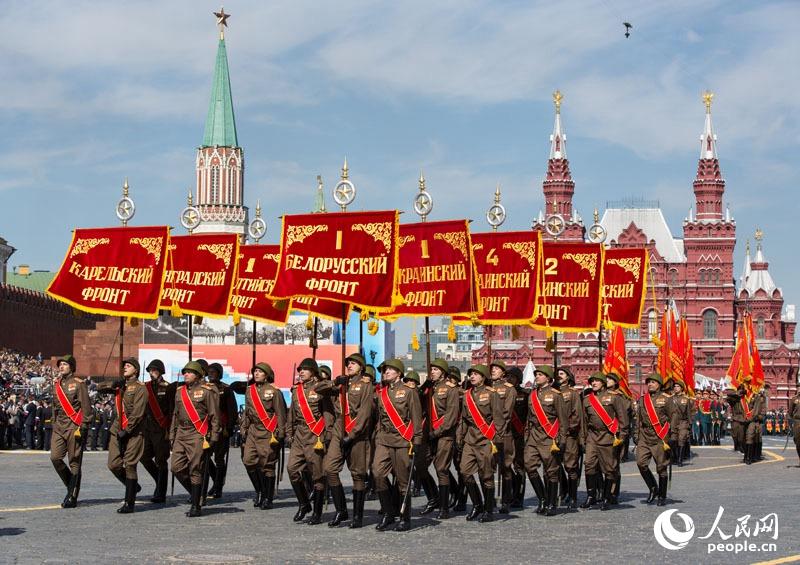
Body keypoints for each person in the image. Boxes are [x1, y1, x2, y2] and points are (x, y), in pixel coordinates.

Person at [323, 353, 374, 528]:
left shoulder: (366, 385)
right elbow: (317, 389)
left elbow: (365, 413)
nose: (350, 366)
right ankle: (341, 510)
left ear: (361, 367)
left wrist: (351, 436)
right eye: (348, 363)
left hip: (356, 434)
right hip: (339, 429)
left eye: (353, 363)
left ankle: (357, 516)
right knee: (329, 468)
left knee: (358, 475)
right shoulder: (342, 384)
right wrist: (335, 382)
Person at [372, 358, 422, 532]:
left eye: (390, 370)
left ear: (399, 373)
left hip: (402, 440)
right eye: (385, 370)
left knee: (403, 481)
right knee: (377, 473)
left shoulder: (409, 391)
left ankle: (404, 518)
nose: (386, 372)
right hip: (384, 440)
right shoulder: (381, 393)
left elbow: (416, 417)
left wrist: (417, 440)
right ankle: (388, 513)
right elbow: (379, 418)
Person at [286, 358, 335, 525]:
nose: (301, 372)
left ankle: (317, 512)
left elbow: (328, 413)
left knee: (318, 475)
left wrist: (327, 434)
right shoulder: (296, 391)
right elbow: (291, 414)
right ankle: (304, 503)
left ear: (313, 372)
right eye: (300, 369)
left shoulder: (321, 389)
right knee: (292, 469)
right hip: (299, 435)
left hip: (316, 435)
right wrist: (289, 432)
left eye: (305, 369)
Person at [231, 362, 286, 510]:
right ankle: (259, 491)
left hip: (268, 431)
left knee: (267, 465)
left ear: (267, 375)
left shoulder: (274, 391)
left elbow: (280, 413)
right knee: (248, 460)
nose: (256, 373)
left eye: (260, 372)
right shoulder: (250, 390)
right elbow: (247, 412)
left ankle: (268, 497)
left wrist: (281, 434)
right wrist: (243, 429)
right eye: (255, 371)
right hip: (253, 431)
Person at [170, 361, 221, 517]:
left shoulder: (207, 391)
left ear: (198, 375)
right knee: (176, 467)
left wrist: (214, 437)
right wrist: (172, 434)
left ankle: (195, 505)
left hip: (197, 433)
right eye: (185, 372)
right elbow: (175, 415)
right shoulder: (180, 392)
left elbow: (214, 416)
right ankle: (196, 493)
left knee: (195, 468)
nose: (186, 374)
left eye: (190, 372)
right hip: (181, 433)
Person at [456, 364, 504, 523]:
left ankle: (488, 510)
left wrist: (497, 440)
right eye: (471, 374)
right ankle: (477, 504)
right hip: (470, 438)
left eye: (476, 374)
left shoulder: (492, 394)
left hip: (486, 439)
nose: (472, 377)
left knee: (486, 476)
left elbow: (499, 419)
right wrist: (460, 437)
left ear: (483, 377)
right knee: (465, 471)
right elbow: (463, 419)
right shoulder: (467, 395)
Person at [579, 372, 629, 510]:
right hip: (592, 437)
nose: (593, 383)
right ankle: (591, 496)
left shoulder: (614, 397)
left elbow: (623, 419)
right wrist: (583, 439)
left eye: (596, 381)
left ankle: (607, 497)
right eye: (592, 381)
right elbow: (584, 422)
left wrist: (622, 438)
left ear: (603, 383)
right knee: (589, 465)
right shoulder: (587, 400)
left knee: (609, 469)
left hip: (608, 437)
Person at [105, 358, 148, 513]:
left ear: (135, 370)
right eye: (124, 366)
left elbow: (138, 413)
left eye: (128, 366)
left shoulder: (140, 388)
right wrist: (113, 384)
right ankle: (133, 486)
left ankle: (129, 503)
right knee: (113, 464)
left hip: (134, 432)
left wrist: (128, 430)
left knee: (130, 465)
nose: (125, 368)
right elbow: (99, 388)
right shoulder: (121, 386)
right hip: (117, 429)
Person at [524, 365, 568, 516]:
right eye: (536, 375)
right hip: (534, 436)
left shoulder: (556, 395)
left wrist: (561, 439)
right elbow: (529, 419)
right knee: (529, 466)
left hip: (550, 437)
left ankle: (551, 503)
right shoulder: (532, 395)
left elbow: (563, 419)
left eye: (541, 375)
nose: (537, 377)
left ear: (548, 378)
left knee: (551, 472)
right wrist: (527, 436)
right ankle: (542, 498)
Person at [50, 355, 92, 508]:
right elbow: (54, 407)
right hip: (59, 427)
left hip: (74, 426)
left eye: (65, 364)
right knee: (55, 457)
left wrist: (85, 425)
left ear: (72, 367)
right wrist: (54, 424)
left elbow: (86, 406)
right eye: (60, 364)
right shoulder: (56, 385)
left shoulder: (79, 383)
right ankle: (71, 485)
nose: (61, 366)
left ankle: (72, 495)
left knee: (74, 461)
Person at [420, 358, 459, 519]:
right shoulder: (429, 388)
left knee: (441, 469)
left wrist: (436, 433)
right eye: (431, 369)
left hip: (443, 434)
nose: (432, 372)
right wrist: (424, 388)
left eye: (436, 369)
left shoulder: (451, 390)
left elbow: (450, 417)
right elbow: (417, 403)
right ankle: (433, 497)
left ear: (443, 372)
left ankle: (444, 508)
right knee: (420, 466)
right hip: (428, 434)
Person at [634, 374, 677, 506]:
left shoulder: (666, 399)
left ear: (659, 384)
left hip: (660, 437)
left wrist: (673, 436)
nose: (650, 384)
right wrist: (636, 435)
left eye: (653, 382)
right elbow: (639, 420)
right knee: (641, 463)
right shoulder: (642, 400)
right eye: (649, 382)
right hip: (645, 436)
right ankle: (653, 488)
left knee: (661, 467)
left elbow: (674, 416)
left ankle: (662, 496)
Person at [140, 359, 175, 503]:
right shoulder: (145, 387)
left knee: (161, 461)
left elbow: (171, 409)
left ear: (160, 371)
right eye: (149, 370)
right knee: (144, 457)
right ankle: (159, 480)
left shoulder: (167, 387)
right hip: (147, 429)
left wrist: (170, 429)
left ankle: (161, 492)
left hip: (161, 429)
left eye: (154, 370)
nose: (151, 373)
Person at [205, 362, 238, 499]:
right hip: (205, 428)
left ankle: (218, 487)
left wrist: (229, 428)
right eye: (209, 372)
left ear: (219, 374)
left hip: (221, 429)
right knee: (204, 457)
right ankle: (215, 480)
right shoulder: (203, 388)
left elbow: (232, 410)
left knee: (219, 459)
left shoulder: (226, 389)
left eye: (214, 372)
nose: (211, 374)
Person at [488, 359, 517, 513]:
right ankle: (490, 499)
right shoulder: (487, 388)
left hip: (503, 433)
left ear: (503, 372)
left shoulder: (509, 390)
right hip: (487, 433)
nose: (493, 371)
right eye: (492, 368)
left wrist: (495, 426)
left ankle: (506, 500)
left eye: (497, 369)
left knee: (505, 467)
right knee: (488, 467)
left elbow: (506, 413)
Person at [555, 367, 581, 508]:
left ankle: (573, 496)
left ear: (568, 377)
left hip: (569, 435)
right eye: (557, 374)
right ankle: (563, 491)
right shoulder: (552, 392)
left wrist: (566, 429)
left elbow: (576, 415)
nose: (559, 376)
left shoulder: (572, 394)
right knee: (555, 466)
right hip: (553, 435)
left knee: (570, 466)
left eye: (562, 374)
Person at [505, 366, 528, 509]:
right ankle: (510, 493)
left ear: (518, 379)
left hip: (520, 434)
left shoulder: (525, 394)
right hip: (507, 434)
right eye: (507, 376)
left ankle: (518, 496)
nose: (509, 379)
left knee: (519, 467)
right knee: (506, 466)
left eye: (512, 377)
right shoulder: (503, 393)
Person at [669, 380, 693, 466]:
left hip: (683, 422)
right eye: (675, 386)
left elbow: (689, 413)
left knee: (681, 440)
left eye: (678, 386)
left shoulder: (686, 399)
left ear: (682, 388)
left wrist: (690, 425)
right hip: (672, 422)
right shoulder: (670, 399)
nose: (676, 388)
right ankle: (674, 457)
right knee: (673, 440)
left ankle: (680, 459)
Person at [789, 389, 800, 464]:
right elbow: (790, 412)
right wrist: (791, 423)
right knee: (797, 440)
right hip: (797, 421)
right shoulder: (794, 399)